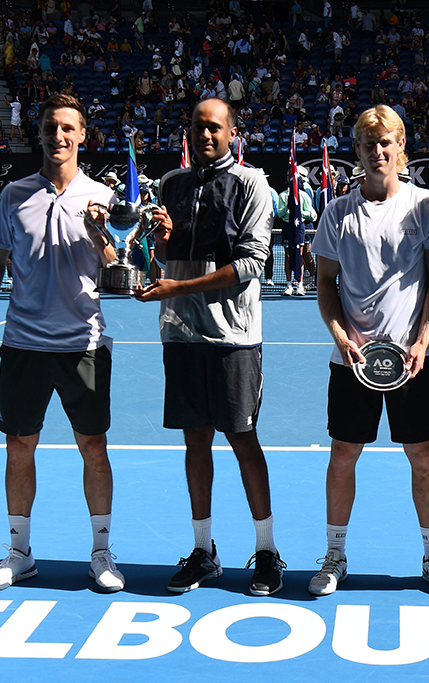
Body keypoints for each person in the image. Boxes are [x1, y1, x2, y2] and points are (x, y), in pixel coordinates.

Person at [0, 93, 124, 594]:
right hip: (23, 344)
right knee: (19, 446)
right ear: (40, 133)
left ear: (82, 136)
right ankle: (20, 553)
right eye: (51, 127)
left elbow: (116, 267)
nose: (59, 136)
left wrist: (100, 231)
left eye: (67, 128)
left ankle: (101, 552)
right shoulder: (14, 195)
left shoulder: (102, 197)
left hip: (84, 344)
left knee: (93, 447)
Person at [308, 105, 429, 598]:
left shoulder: (426, 206)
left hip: (413, 359)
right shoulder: (337, 213)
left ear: (401, 148)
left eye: (386, 142)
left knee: (424, 459)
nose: (377, 151)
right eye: (369, 143)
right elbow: (326, 285)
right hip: (352, 360)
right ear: (357, 150)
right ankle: (334, 555)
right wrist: (340, 336)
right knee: (342, 457)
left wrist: (423, 338)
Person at [136, 98, 282, 596]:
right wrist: (159, 243)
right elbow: (163, 255)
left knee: (243, 440)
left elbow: (252, 263)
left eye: (215, 127)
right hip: (180, 333)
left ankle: (267, 551)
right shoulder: (171, 184)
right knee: (194, 442)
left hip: (233, 335)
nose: (206, 135)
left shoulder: (251, 183)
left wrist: (178, 287)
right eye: (198, 127)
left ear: (232, 133)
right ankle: (204, 551)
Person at [276, 167, 318, 296]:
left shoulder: (304, 195)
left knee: (300, 255)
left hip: (299, 226)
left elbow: (312, 215)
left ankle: (300, 285)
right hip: (287, 227)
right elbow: (280, 214)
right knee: (288, 256)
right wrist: (288, 208)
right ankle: (289, 285)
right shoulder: (283, 196)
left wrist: (299, 212)